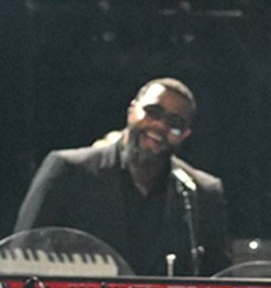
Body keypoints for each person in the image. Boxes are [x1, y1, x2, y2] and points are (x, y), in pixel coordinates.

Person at [14, 77, 231, 277]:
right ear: (132, 110)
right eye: (152, 112)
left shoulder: (202, 192)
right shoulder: (68, 171)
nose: (160, 125)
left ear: (185, 135)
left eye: (174, 123)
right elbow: (20, 257)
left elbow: (221, 285)